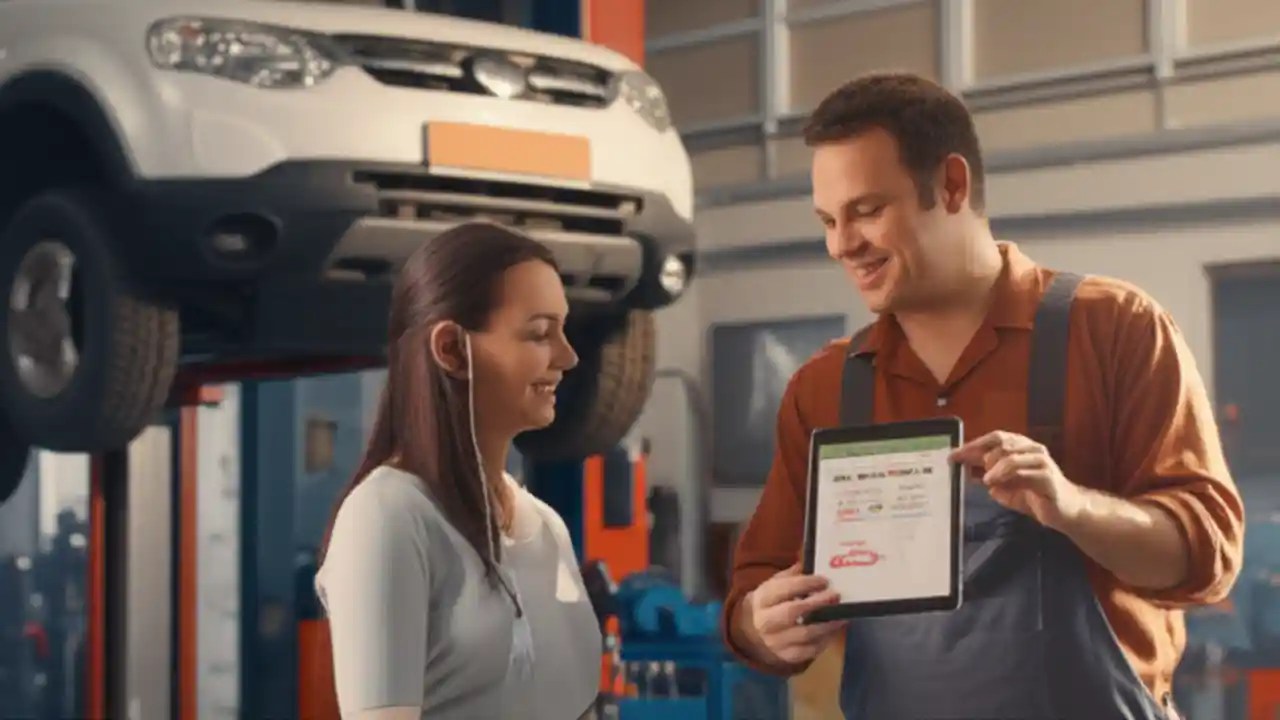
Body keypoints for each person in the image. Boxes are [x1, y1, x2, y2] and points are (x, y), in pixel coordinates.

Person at [721, 72, 1245, 719]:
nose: (841, 244)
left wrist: (1073, 508)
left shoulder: (1116, 330)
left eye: (866, 211)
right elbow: (754, 598)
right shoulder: (823, 388)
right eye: (829, 220)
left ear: (951, 185)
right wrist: (760, 623)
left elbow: (1209, 554)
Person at [315, 221, 602, 720]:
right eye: (539, 333)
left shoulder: (547, 527)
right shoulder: (388, 516)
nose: (568, 356)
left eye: (563, 330)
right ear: (450, 349)